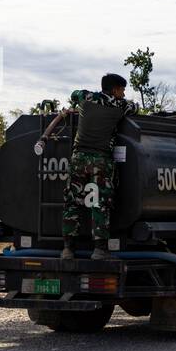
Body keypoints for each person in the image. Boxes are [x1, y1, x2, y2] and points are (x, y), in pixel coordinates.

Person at [35, 73, 139, 260]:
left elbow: (74, 94)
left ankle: (68, 249)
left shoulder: (86, 97)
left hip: (78, 158)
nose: (123, 94)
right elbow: (134, 107)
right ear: (115, 89)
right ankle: (99, 249)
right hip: (101, 160)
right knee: (99, 204)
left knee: (72, 203)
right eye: (122, 90)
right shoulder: (121, 106)